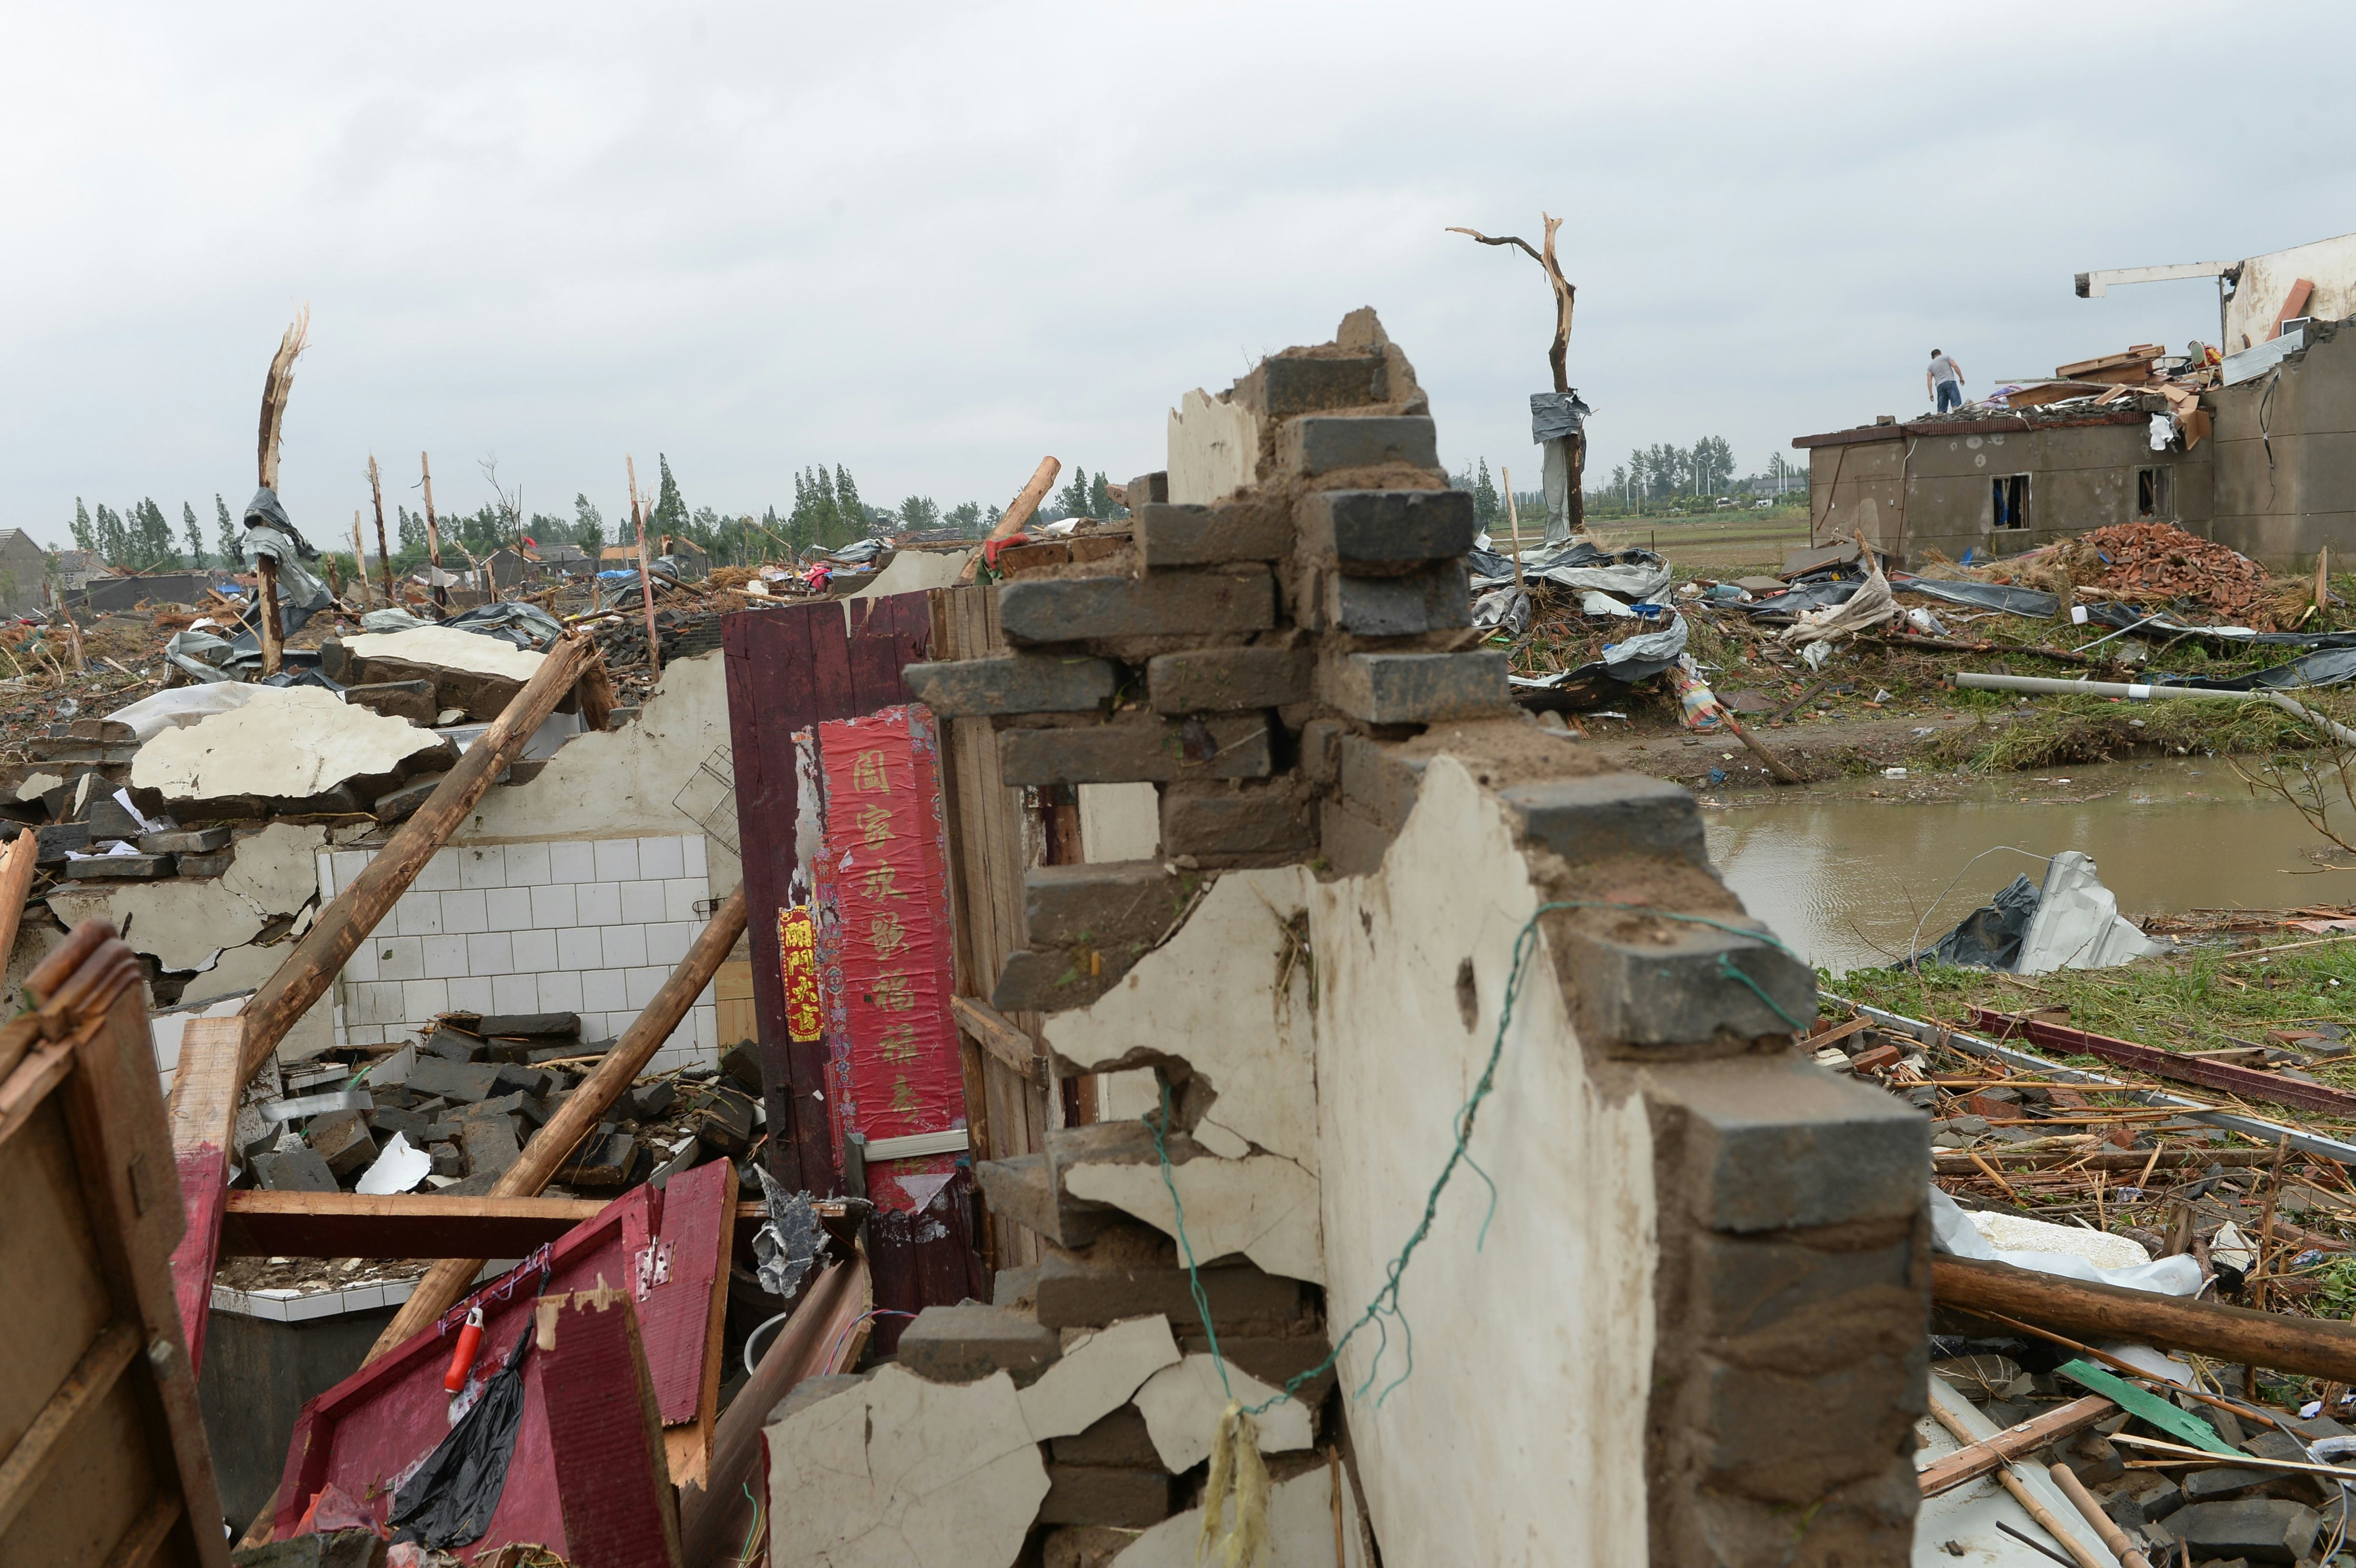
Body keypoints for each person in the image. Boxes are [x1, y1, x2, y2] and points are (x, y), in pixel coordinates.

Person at [1927, 349, 1965, 413]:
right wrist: (1961, 377)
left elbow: (1929, 381)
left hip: (1940, 386)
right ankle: (1956, 417)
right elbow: (1955, 366)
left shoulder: (1930, 366)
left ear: (1932, 358)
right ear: (1940, 353)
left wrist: (1931, 393)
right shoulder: (1946, 357)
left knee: (1941, 408)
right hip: (1950, 382)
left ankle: (1940, 419)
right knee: (1956, 404)